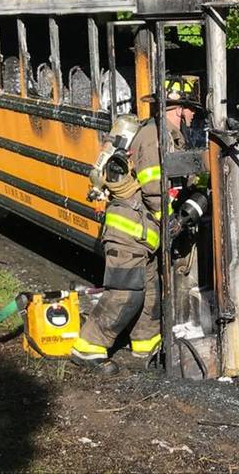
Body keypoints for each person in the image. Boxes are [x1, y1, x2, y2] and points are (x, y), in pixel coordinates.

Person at [71, 77, 203, 374]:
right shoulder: (154, 136)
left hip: (145, 233)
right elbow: (155, 187)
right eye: (191, 109)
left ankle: (145, 343)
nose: (194, 115)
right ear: (178, 108)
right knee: (125, 292)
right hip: (128, 230)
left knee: (151, 291)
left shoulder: (170, 136)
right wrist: (171, 221)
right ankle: (88, 346)